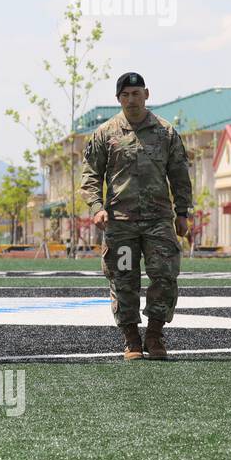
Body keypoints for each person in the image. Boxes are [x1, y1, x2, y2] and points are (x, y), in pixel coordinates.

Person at [80, 72, 192, 360]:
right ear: (118, 99)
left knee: (165, 276)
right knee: (123, 278)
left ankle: (154, 336)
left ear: (147, 94)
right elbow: (90, 176)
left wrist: (182, 212)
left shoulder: (166, 132)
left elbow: (179, 175)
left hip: (158, 221)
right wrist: (96, 207)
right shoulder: (105, 134)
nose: (131, 99)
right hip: (121, 223)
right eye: (126, 95)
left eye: (136, 93)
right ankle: (131, 338)